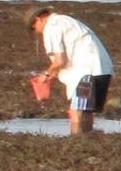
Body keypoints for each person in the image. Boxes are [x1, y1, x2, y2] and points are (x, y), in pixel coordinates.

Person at [27, 7, 114, 136]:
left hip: (86, 71)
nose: (36, 32)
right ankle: (87, 140)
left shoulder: (52, 27)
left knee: (76, 111)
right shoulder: (66, 20)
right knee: (86, 110)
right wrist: (54, 73)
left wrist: (45, 75)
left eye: (33, 28)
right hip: (102, 68)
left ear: (38, 20)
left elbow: (60, 60)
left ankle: (76, 140)